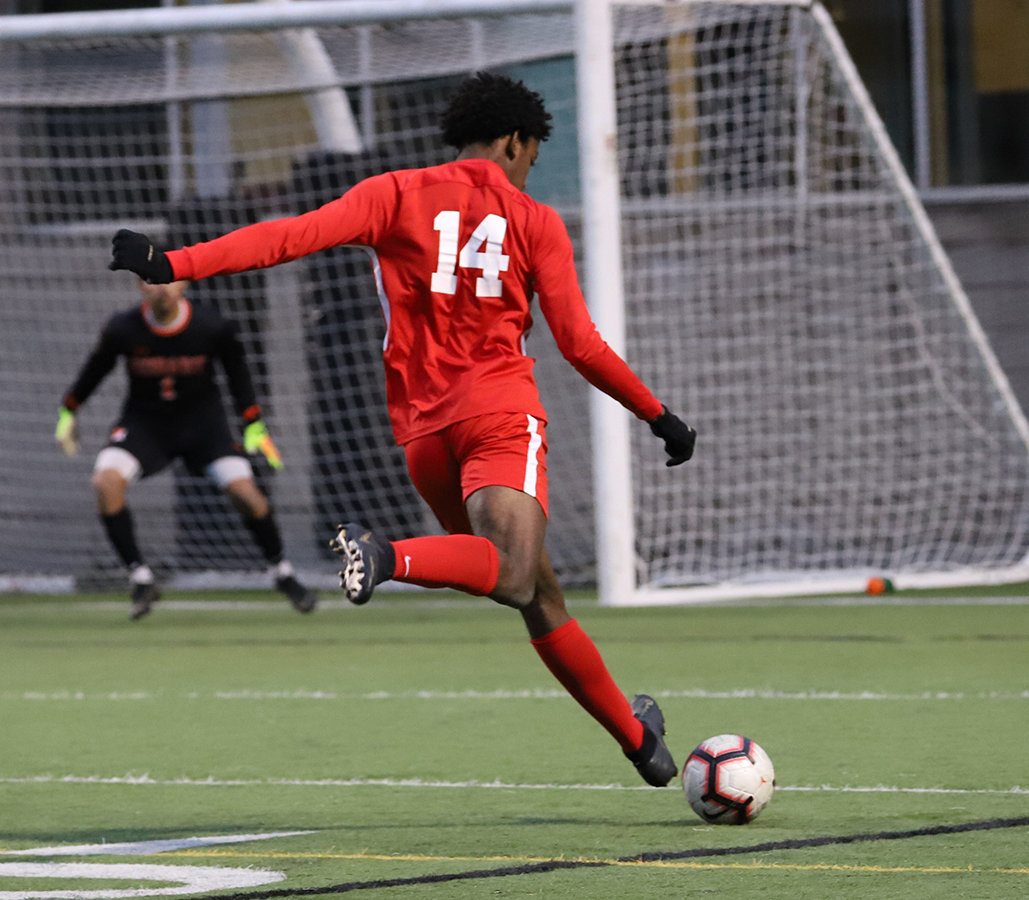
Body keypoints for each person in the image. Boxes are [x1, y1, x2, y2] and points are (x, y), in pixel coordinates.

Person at [109, 73, 697, 787]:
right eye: (531, 156)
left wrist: (174, 262)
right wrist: (657, 414)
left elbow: (287, 237)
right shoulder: (535, 221)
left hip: (424, 439)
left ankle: (642, 744)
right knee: (512, 574)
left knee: (537, 595)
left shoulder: (394, 193)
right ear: (515, 141)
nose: (527, 171)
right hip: (499, 420)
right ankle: (386, 556)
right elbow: (580, 344)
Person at [58, 278, 316, 619]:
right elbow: (96, 369)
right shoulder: (123, 329)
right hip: (146, 426)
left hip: (203, 427)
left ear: (184, 282)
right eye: (152, 280)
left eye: (170, 278)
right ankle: (141, 577)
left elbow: (238, 373)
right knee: (105, 483)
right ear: (139, 286)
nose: (163, 287)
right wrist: (69, 410)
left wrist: (253, 422)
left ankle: (282, 572)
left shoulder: (212, 326)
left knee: (247, 495)